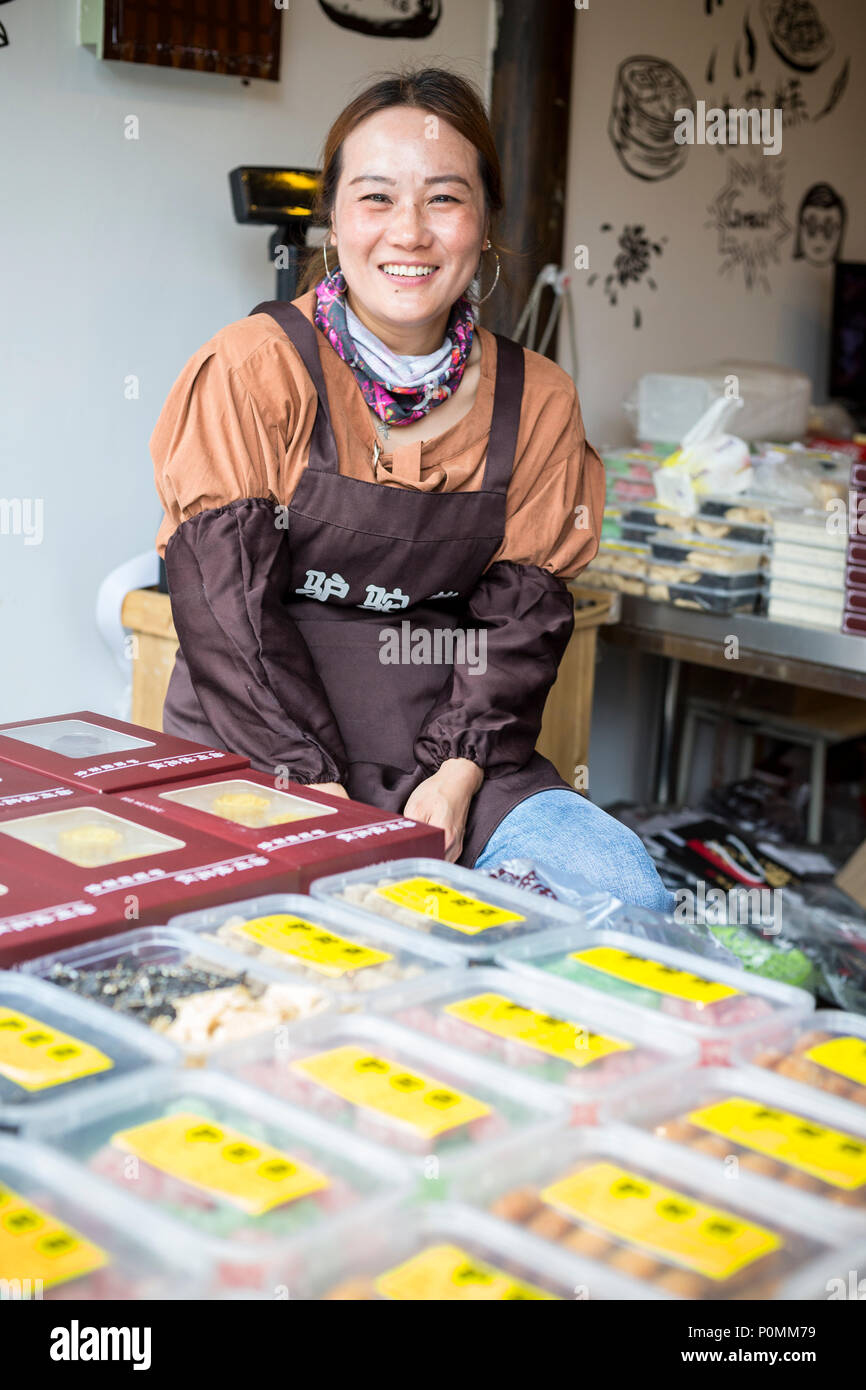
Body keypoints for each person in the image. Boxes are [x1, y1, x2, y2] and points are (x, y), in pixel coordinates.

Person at [152, 66, 672, 913]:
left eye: (443, 198)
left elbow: (524, 623)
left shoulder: (537, 398)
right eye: (377, 197)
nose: (410, 232)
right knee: (293, 955)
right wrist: (317, 796)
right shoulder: (254, 368)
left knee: (619, 900)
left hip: (462, 761)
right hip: (261, 757)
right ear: (333, 217)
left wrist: (460, 773)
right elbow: (226, 615)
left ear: (484, 222)